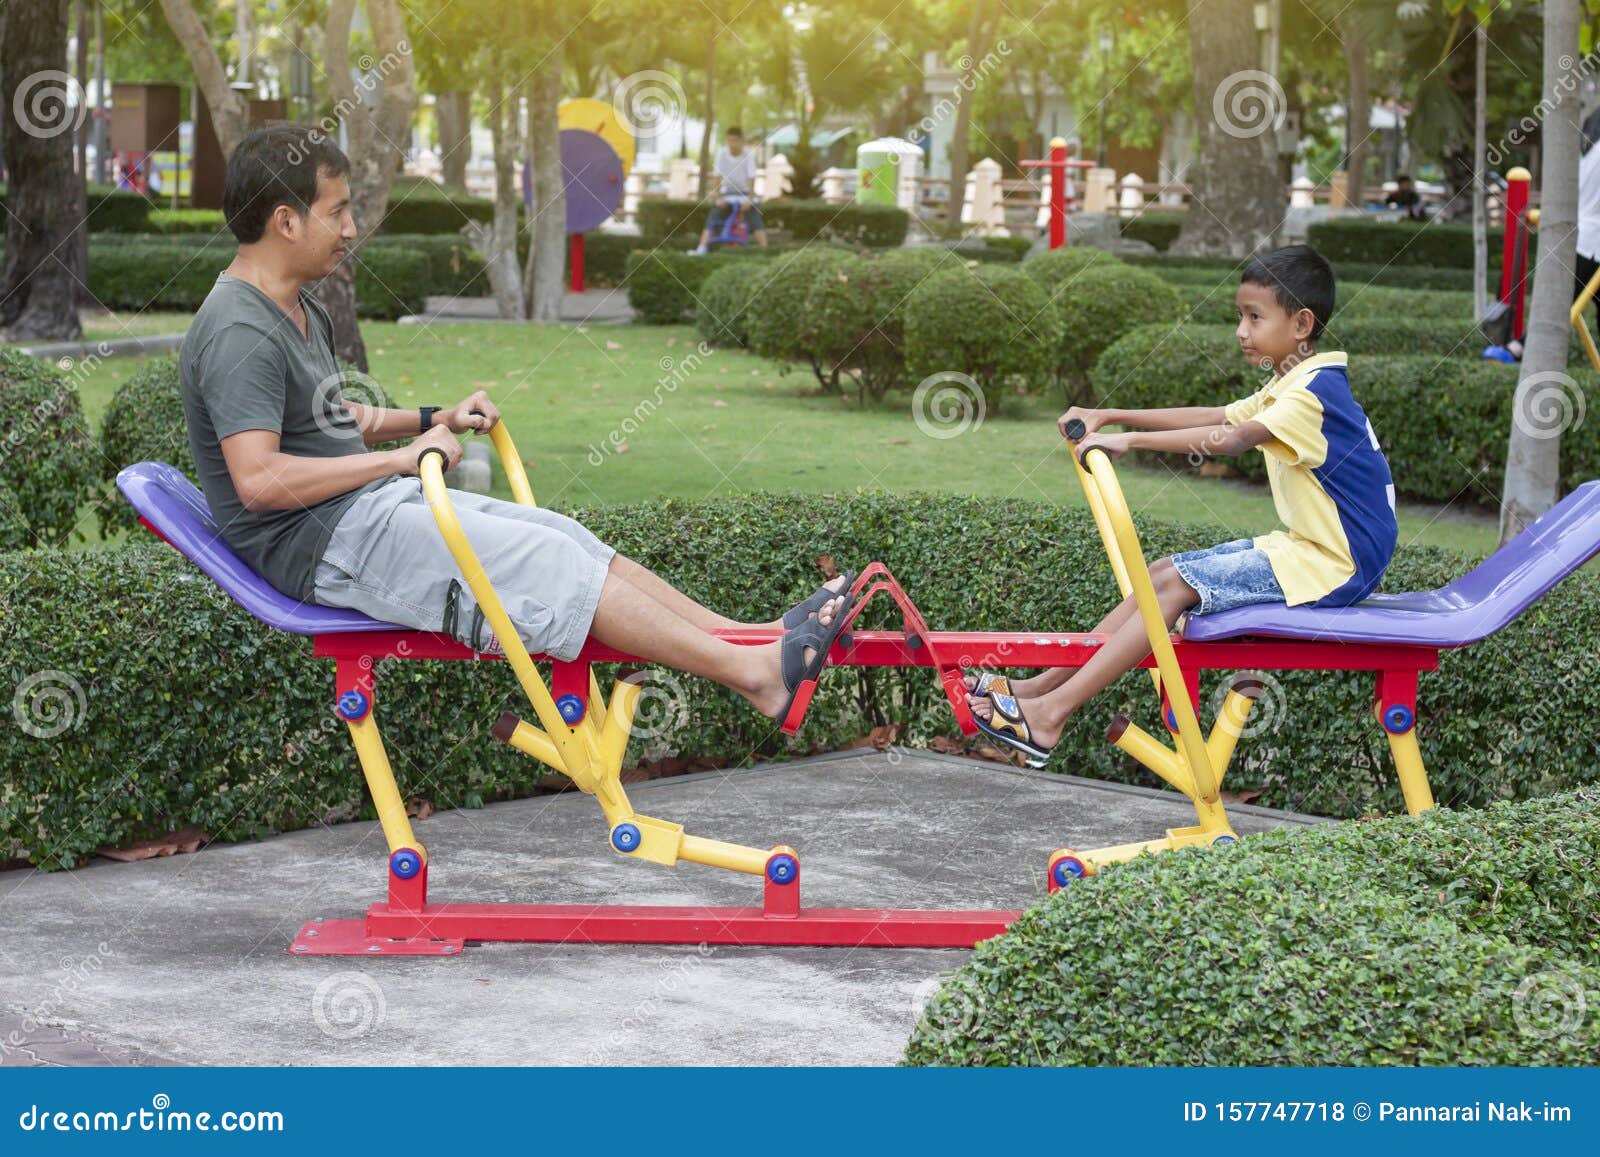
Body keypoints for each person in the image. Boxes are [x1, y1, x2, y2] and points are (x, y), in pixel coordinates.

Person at [179, 124, 849, 727]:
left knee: (570, 538)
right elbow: (259, 480)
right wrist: (401, 458)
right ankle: (758, 678)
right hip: (323, 545)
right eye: (339, 211)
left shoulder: (296, 306)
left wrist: (434, 418)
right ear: (286, 222)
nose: (352, 228)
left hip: (360, 513)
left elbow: (332, 418)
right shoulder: (239, 329)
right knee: (551, 567)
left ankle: (747, 639)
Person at [962, 245, 1398, 766]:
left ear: (1301, 323)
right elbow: (1216, 413)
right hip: (1313, 550)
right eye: (1240, 315)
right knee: (1159, 574)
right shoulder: (1294, 382)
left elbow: (1232, 438)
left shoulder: (1312, 395)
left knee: (1175, 586)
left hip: (1336, 564)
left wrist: (1129, 443)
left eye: (1254, 317)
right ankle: (1035, 691)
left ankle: (1051, 716)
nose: (1241, 330)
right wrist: (1111, 415)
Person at [690, 126, 767, 253]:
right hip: (726, 194)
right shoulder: (721, 153)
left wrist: (750, 199)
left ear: (741, 141)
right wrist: (719, 197)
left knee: (755, 219)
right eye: (729, 140)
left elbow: (752, 177)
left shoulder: (748, 154)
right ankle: (701, 249)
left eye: (735, 140)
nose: (732, 144)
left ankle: (764, 251)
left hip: (744, 194)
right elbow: (717, 176)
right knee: (714, 216)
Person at [1575, 107, 1600, 334]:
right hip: (1592, 243)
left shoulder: (1588, 151)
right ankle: (1516, 349)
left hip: (1577, 237)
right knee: (1563, 309)